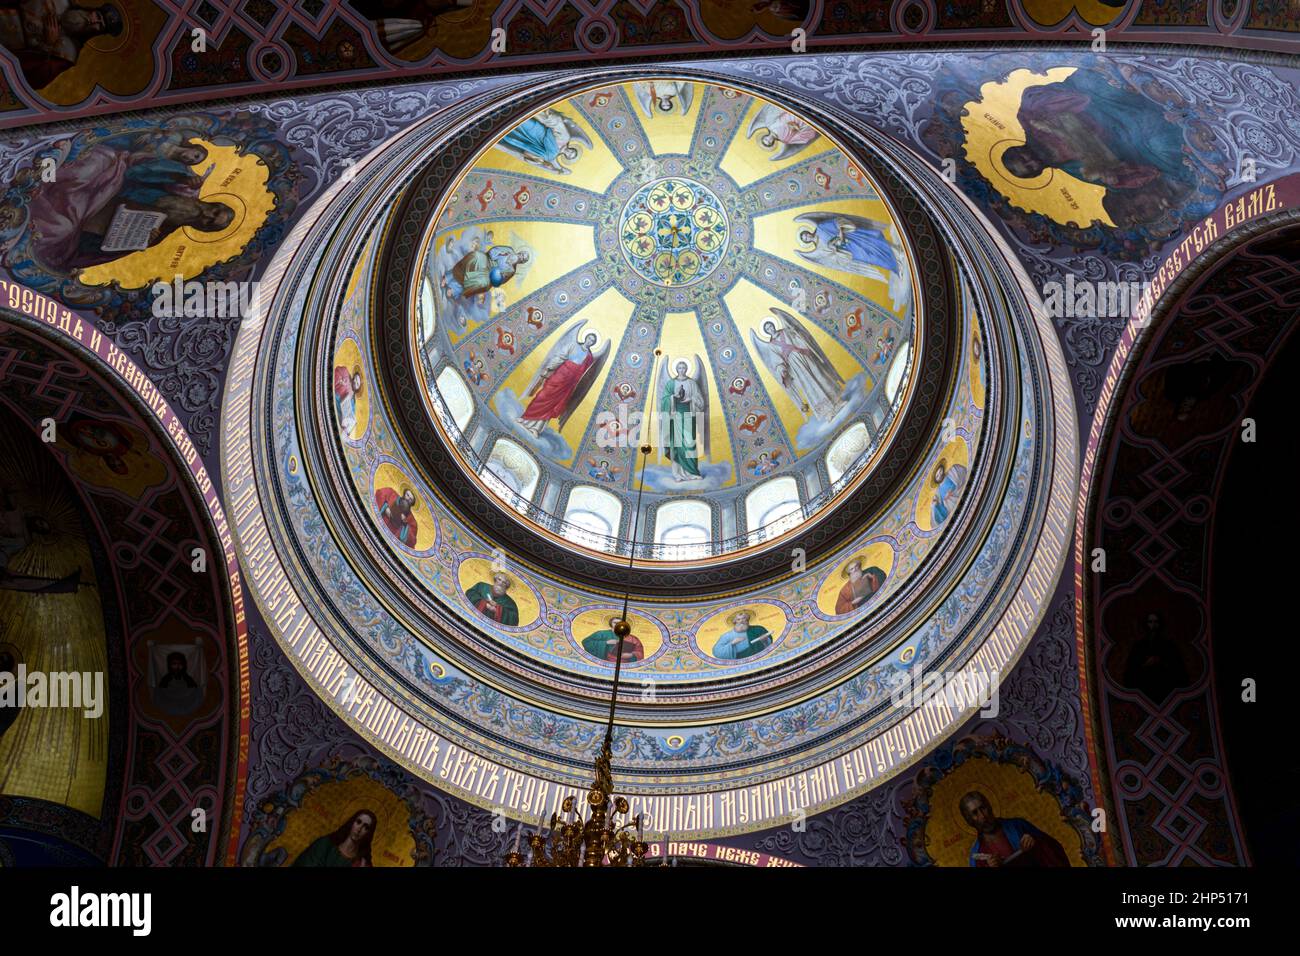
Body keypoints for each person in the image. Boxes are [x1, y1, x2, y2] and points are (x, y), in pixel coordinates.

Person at [999, 67, 1197, 228]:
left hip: (1095, 101)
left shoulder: (1029, 119)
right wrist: (1116, 177)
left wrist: (1052, 109)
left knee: (1097, 83)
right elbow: (1122, 178)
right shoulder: (1073, 169)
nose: (1032, 160)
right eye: (1031, 168)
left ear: (1018, 148)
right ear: (1038, 171)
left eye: (1023, 159)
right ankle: (1191, 122)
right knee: (1159, 143)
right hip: (1128, 135)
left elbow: (1032, 96)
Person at [0, 1, 123, 90]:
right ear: (92, 10)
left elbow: (36, 81)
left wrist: (48, 46)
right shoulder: (61, 2)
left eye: (100, 25)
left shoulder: (68, 54)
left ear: (97, 32)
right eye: (98, 16)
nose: (93, 21)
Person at [518, 332, 598, 437]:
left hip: (569, 383)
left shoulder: (589, 357)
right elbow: (561, 357)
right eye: (589, 338)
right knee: (543, 395)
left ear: (593, 343)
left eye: (592, 341)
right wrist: (549, 368)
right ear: (586, 337)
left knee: (554, 404)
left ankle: (536, 428)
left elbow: (583, 375)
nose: (590, 341)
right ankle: (525, 418)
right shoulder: (573, 345)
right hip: (560, 375)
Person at [960, 791, 1070, 867]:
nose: (983, 816)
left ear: (989, 807)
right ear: (969, 820)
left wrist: (1036, 843)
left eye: (982, 808)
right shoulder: (976, 855)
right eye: (975, 813)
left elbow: (1055, 851)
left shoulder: (1018, 825)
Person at [660, 360, 706, 481]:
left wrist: (691, 399)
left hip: (688, 415)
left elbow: (700, 401)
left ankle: (692, 472)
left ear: (686, 369)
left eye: (684, 367)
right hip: (675, 416)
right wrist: (672, 397)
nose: (682, 370)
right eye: (679, 368)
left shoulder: (692, 383)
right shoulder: (671, 383)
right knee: (677, 444)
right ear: (676, 369)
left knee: (690, 443)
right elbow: (664, 400)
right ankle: (678, 474)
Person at [292, 810, 377, 867]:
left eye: (365, 827)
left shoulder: (362, 864)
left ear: (369, 833)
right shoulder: (325, 844)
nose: (359, 829)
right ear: (352, 823)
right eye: (358, 822)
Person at [929, 458, 967, 527]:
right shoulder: (938, 491)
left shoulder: (952, 472)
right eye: (937, 476)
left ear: (942, 468)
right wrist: (935, 505)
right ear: (935, 479)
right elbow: (943, 508)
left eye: (940, 471)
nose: (939, 475)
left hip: (960, 494)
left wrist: (953, 490)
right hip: (951, 506)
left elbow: (963, 476)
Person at [334, 364, 362, 435]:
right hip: (335, 398)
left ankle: (344, 430)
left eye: (358, 383)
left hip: (341, 413)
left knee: (352, 420)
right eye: (356, 378)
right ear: (354, 376)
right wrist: (340, 381)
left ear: (358, 388)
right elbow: (336, 372)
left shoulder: (352, 400)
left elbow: (351, 413)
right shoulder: (345, 373)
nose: (355, 381)